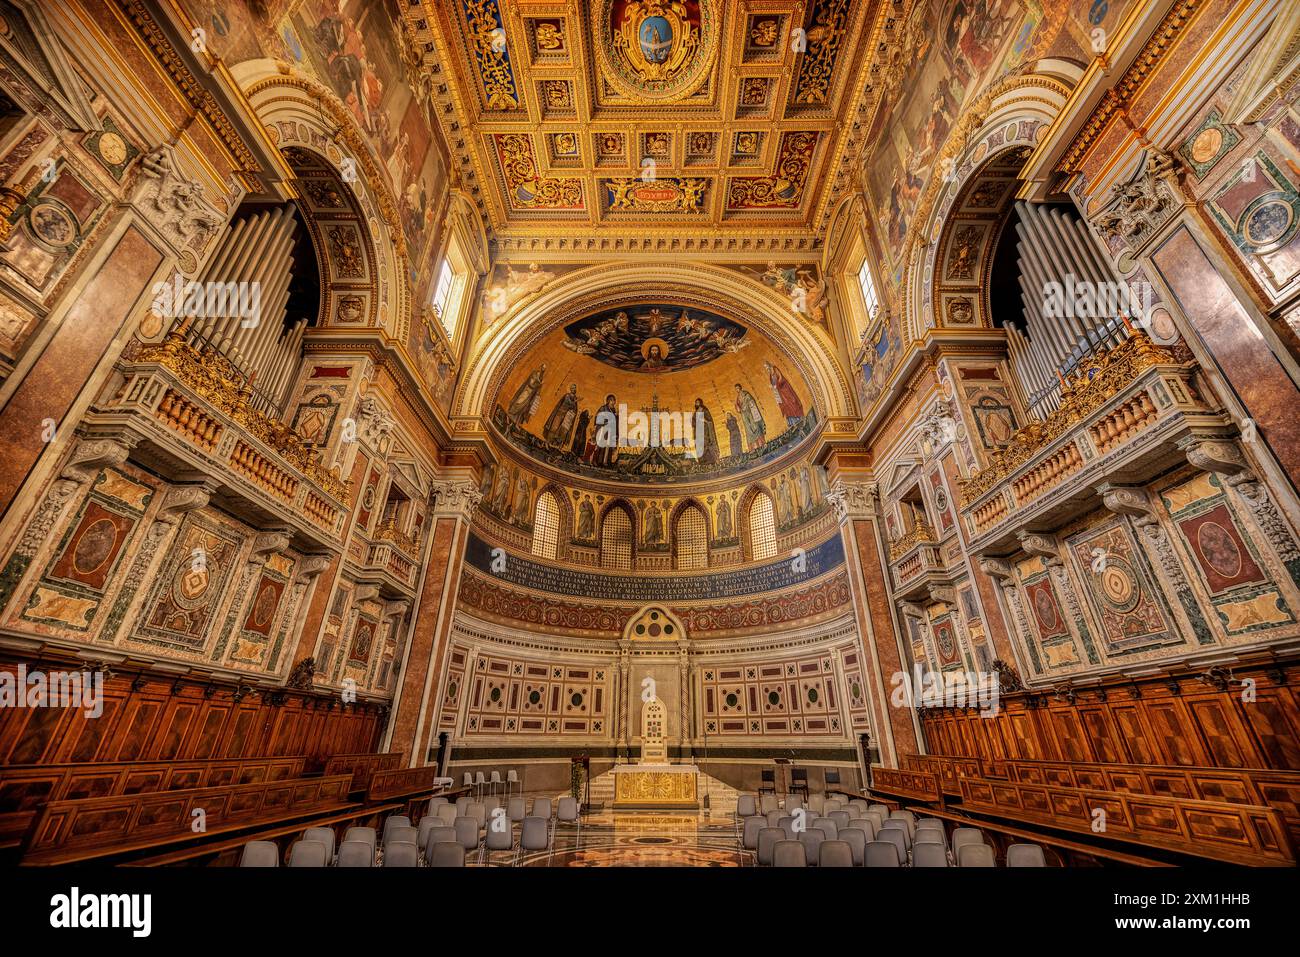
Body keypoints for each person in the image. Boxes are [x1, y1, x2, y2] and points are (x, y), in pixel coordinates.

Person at [765, 361, 804, 425]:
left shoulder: (775, 369)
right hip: (779, 393)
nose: (767, 369)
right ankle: (792, 422)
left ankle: (798, 418)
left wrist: (776, 385)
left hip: (784, 389)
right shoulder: (770, 375)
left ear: (769, 365)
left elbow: (780, 378)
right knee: (785, 406)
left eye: (767, 367)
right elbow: (773, 383)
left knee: (790, 402)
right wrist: (773, 387)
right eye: (766, 368)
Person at [543, 384, 579, 448]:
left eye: (575, 388)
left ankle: (554, 444)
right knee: (554, 428)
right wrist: (575, 402)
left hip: (567, 417)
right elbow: (568, 404)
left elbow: (574, 408)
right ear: (570, 389)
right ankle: (547, 442)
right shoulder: (567, 395)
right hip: (560, 413)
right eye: (573, 388)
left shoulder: (575, 398)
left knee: (562, 431)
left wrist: (573, 411)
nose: (574, 389)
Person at [734, 383, 766, 451]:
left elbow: (751, 401)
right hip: (744, 415)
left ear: (740, 387)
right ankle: (754, 447)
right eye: (736, 389)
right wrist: (738, 407)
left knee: (755, 426)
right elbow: (738, 407)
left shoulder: (746, 394)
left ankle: (761, 444)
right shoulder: (738, 398)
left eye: (737, 388)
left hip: (750, 412)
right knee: (749, 429)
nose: (737, 390)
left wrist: (747, 405)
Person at [692, 397, 720, 464]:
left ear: (701, 403)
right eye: (696, 402)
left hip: (705, 431)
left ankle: (711, 460)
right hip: (698, 432)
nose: (697, 403)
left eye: (698, 402)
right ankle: (702, 461)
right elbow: (693, 423)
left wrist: (705, 420)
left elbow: (709, 420)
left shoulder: (704, 410)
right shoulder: (695, 413)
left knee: (706, 444)